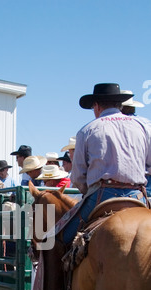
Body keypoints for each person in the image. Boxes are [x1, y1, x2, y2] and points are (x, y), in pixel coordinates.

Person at [61, 83, 151, 245]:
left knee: (62, 237)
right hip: (138, 196)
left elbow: (78, 176)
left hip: (101, 196)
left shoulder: (87, 130)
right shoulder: (143, 127)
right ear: (119, 104)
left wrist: (87, 190)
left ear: (96, 106)